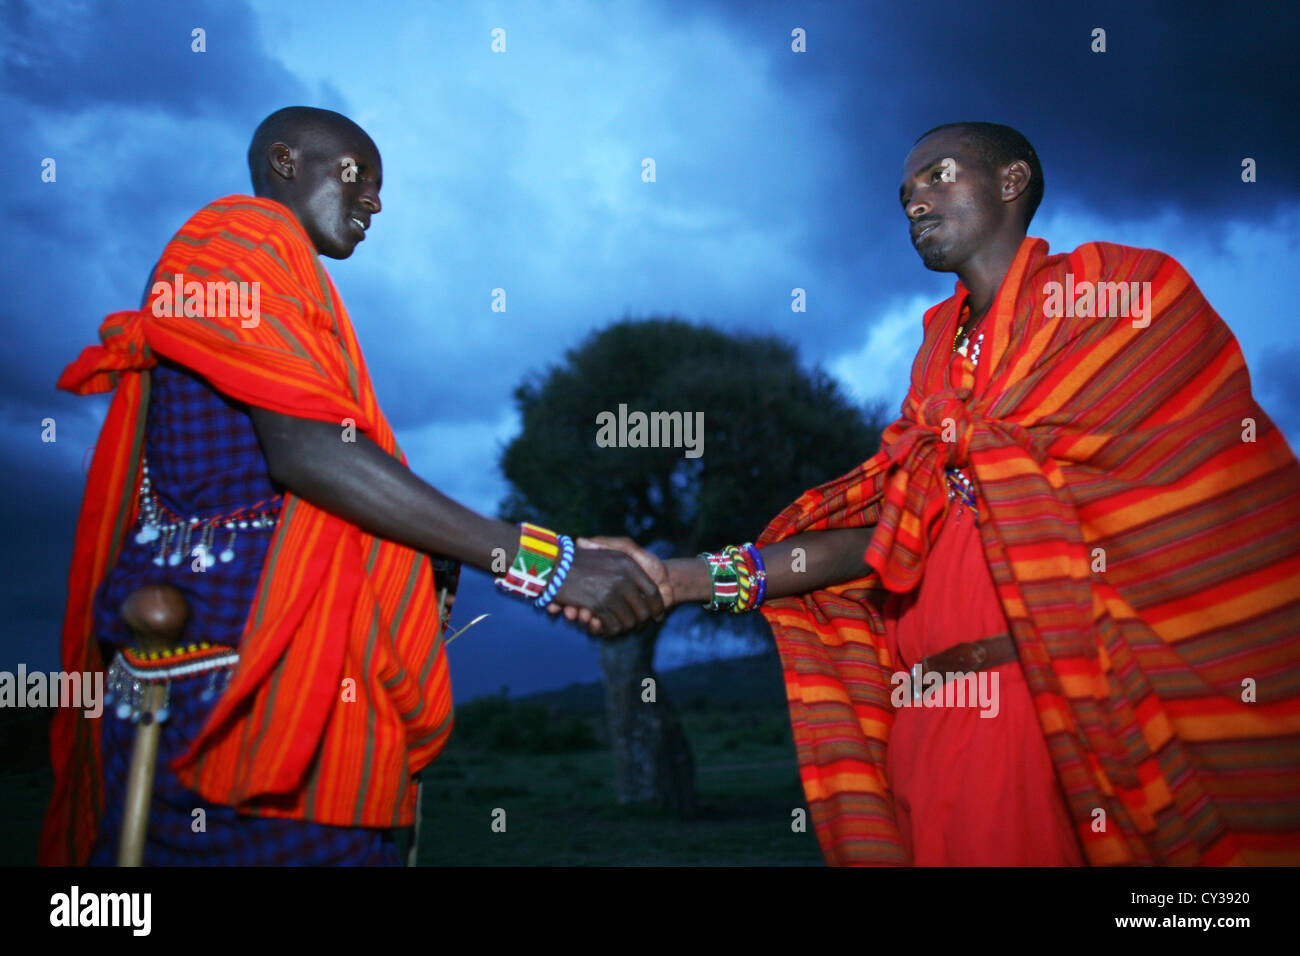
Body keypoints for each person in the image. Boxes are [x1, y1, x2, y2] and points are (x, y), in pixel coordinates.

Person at [595, 122, 1300, 865]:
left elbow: (1201, 496)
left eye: (938, 177)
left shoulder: (1121, 301)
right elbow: (887, 541)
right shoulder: (935, 369)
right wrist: (682, 579)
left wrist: (989, 446)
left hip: (1052, 711)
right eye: (904, 196)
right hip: (925, 720)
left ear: (1011, 180)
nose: (916, 205)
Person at [43, 106, 666, 866]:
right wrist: (546, 565)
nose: (375, 202)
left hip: (270, 683)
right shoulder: (239, 239)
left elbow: (315, 461)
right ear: (283, 162)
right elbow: (307, 452)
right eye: (357, 176)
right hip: (239, 696)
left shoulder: (286, 285)